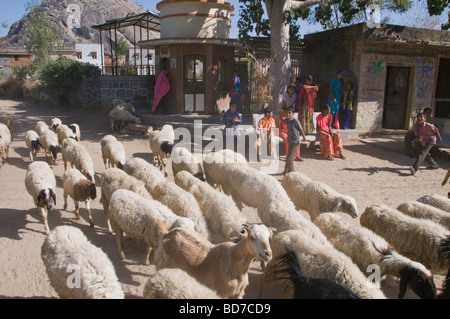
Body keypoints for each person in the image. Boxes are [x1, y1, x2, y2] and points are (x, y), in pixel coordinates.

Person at [281, 107, 306, 176]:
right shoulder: (287, 120)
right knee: (288, 157)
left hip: (295, 142)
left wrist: (304, 138)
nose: (288, 114)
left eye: (289, 113)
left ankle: (291, 172)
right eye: (286, 113)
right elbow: (282, 120)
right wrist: (282, 113)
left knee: (290, 159)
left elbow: (300, 129)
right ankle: (287, 171)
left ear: (293, 114)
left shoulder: (295, 121)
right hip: (290, 141)